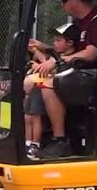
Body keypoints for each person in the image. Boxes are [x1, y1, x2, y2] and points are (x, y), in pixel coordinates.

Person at [30, 0, 97, 159]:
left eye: (64, 0)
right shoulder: (79, 23)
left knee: (49, 84)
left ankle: (60, 140)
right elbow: (71, 49)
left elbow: (92, 53)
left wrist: (57, 60)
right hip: (77, 71)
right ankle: (34, 138)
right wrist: (44, 48)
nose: (62, 6)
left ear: (75, 0)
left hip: (95, 73)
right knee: (33, 83)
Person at [22, 23, 79, 161]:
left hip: (48, 90)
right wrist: (37, 51)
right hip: (36, 90)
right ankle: (27, 143)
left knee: (35, 117)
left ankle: (36, 144)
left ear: (70, 43)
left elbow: (54, 70)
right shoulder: (56, 55)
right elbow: (47, 62)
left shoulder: (69, 59)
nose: (54, 43)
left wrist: (39, 65)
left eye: (58, 40)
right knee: (28, 116)